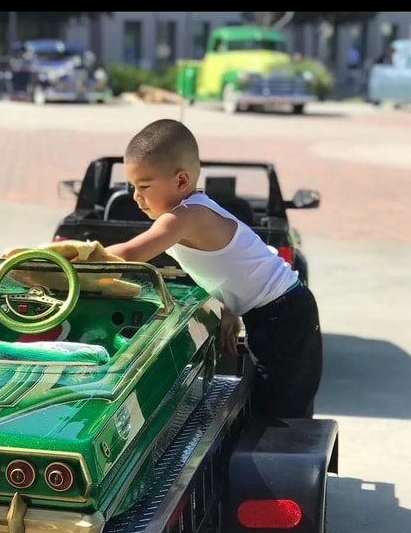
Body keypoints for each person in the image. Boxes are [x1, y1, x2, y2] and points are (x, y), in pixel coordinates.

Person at [104, 119, 323, 419]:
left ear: (181, 181)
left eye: (143, 186)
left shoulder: (184, 217)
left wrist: (66, 258)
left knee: (281, 413)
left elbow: (131, 254)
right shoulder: (197, 208)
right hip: (277, 310)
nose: (136, 197)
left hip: (284, 316)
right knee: (272, 403)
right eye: (132, 187)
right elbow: (237, 262)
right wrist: (230, 307)